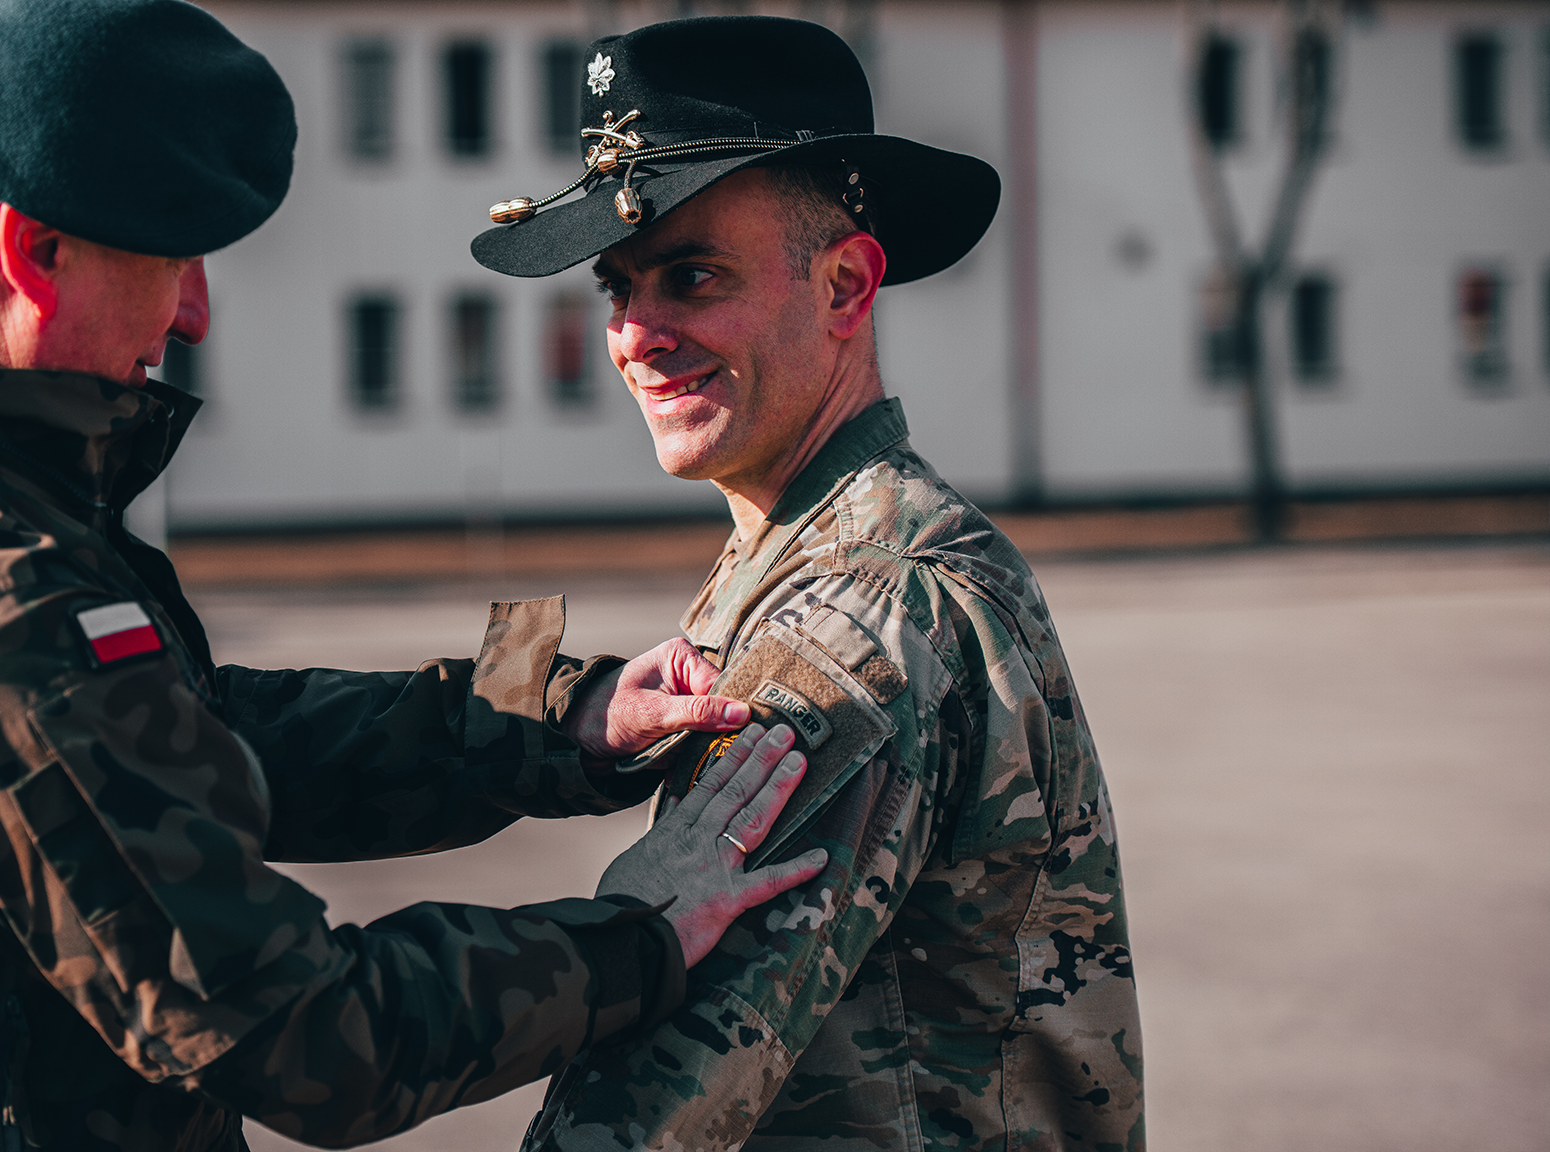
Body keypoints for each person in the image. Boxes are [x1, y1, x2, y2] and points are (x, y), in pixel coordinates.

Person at [0, 2, 831, 1148]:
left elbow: (164, 743)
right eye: (175, 260)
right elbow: (309, 1034)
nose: (194, 313)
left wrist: (551, 720)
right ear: (35, 252)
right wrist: (642, 937)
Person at [471, 16, 1144, 1150]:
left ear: (842, 287)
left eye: (690, 275)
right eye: (616, 288)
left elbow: (649, 1103)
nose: (636, 334)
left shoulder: (859, 617)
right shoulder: (817, 551)